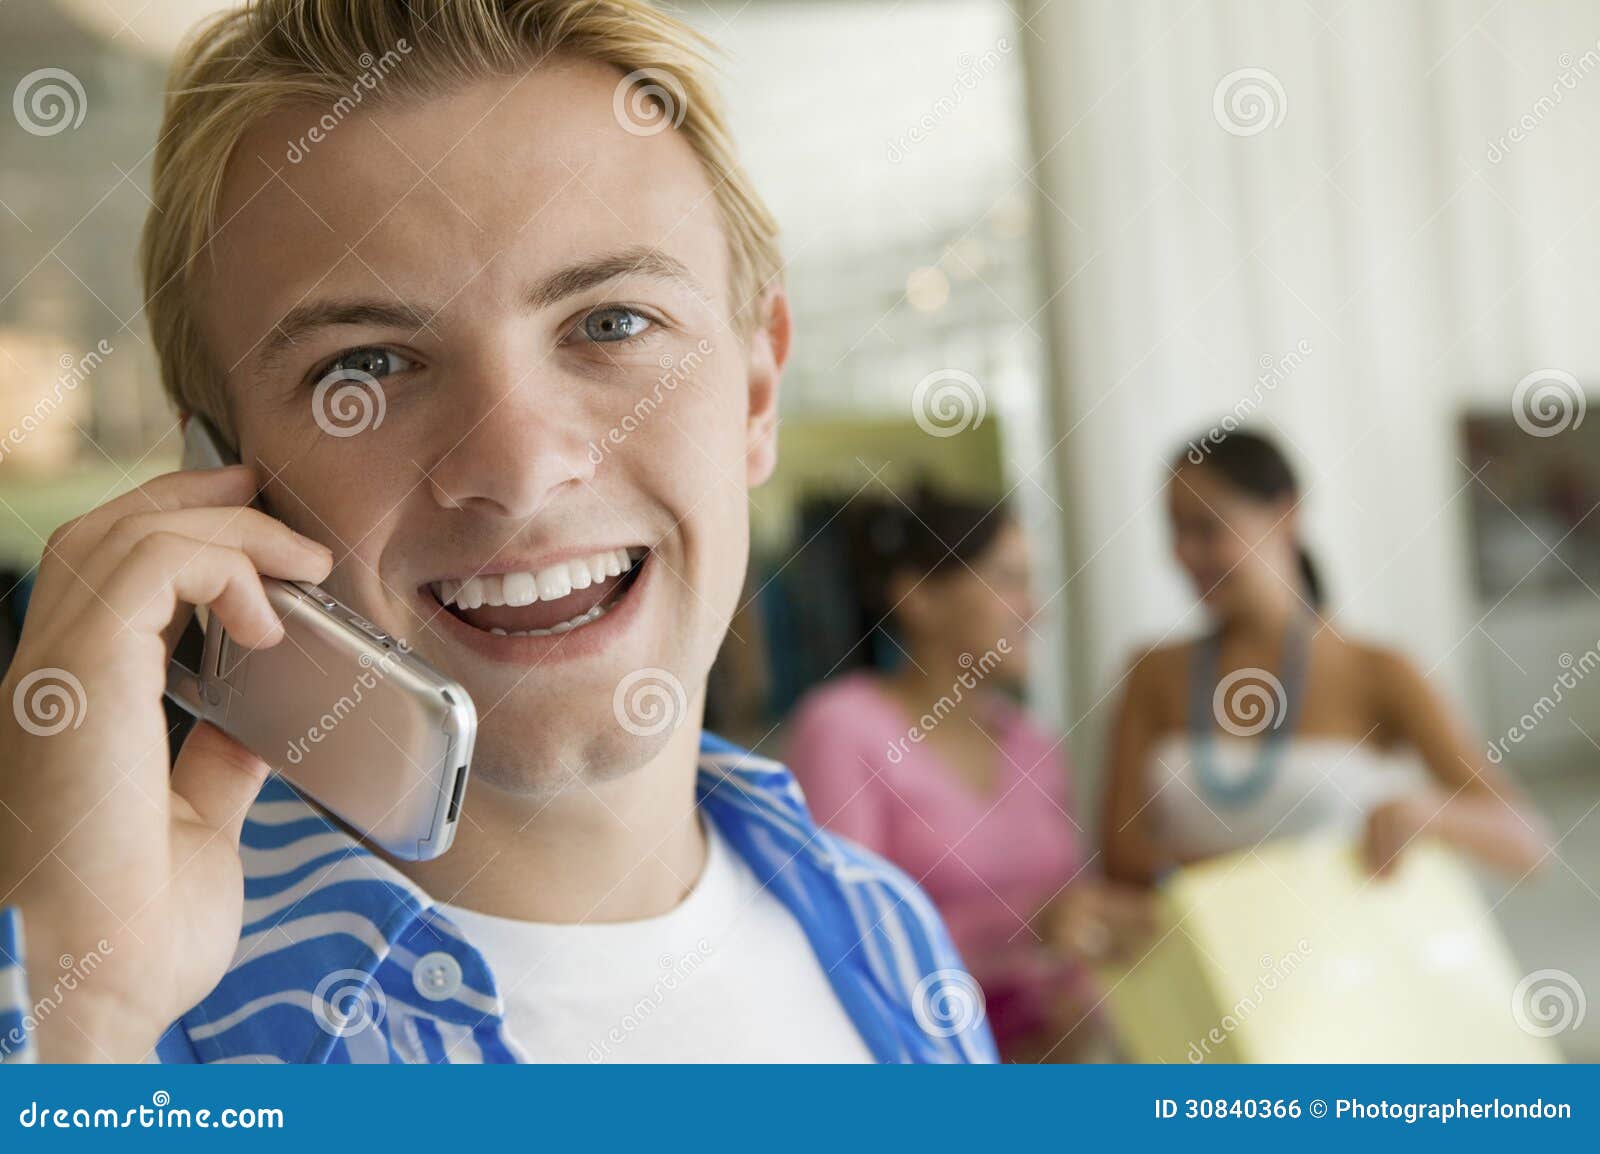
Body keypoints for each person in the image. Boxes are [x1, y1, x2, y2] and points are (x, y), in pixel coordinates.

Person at [0, 0, 994, 1065]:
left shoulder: (894, 942)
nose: (517, 468)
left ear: (756, 394)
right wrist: (79, 1009)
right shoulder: (121, 1016)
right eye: (367, 364)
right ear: (219, 481)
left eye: (611, 323)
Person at [784, 484, 1151, 1062]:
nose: (1036, 610)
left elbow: (1069, 937)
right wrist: (1024, 928)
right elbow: (846, 940)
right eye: (1008, 580)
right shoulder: (842, 729)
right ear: (919, 597)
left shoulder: (1035, 745)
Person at [1101, 430, 1548, 885]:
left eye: (1207, 528)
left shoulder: (1378, 671)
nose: (1184, 553)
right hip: (1198, 948)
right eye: (1176, 532)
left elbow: (1527, 841)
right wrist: (1264, 880)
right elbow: (1119, 855)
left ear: (1286, 514)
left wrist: (1428, 813)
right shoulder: (1152, 673)